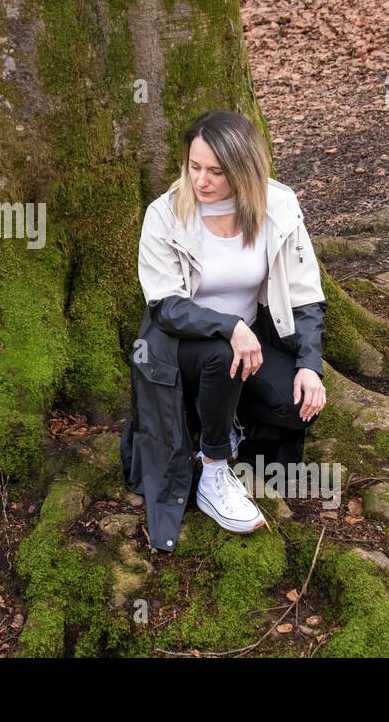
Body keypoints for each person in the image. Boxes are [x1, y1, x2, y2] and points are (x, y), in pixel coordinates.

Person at [127, 109, 327, 542]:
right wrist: (230, 325)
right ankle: (214, 472)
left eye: (215, 171)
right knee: (223, 352)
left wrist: (310, 364)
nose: (201, 181)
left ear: (243, 168)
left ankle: (225, 422)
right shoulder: (165, 214)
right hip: (181, 344)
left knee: (294, 406)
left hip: (250, 339)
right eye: (194, 167)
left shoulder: (279, 206)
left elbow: (304, 293)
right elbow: (164, 306)